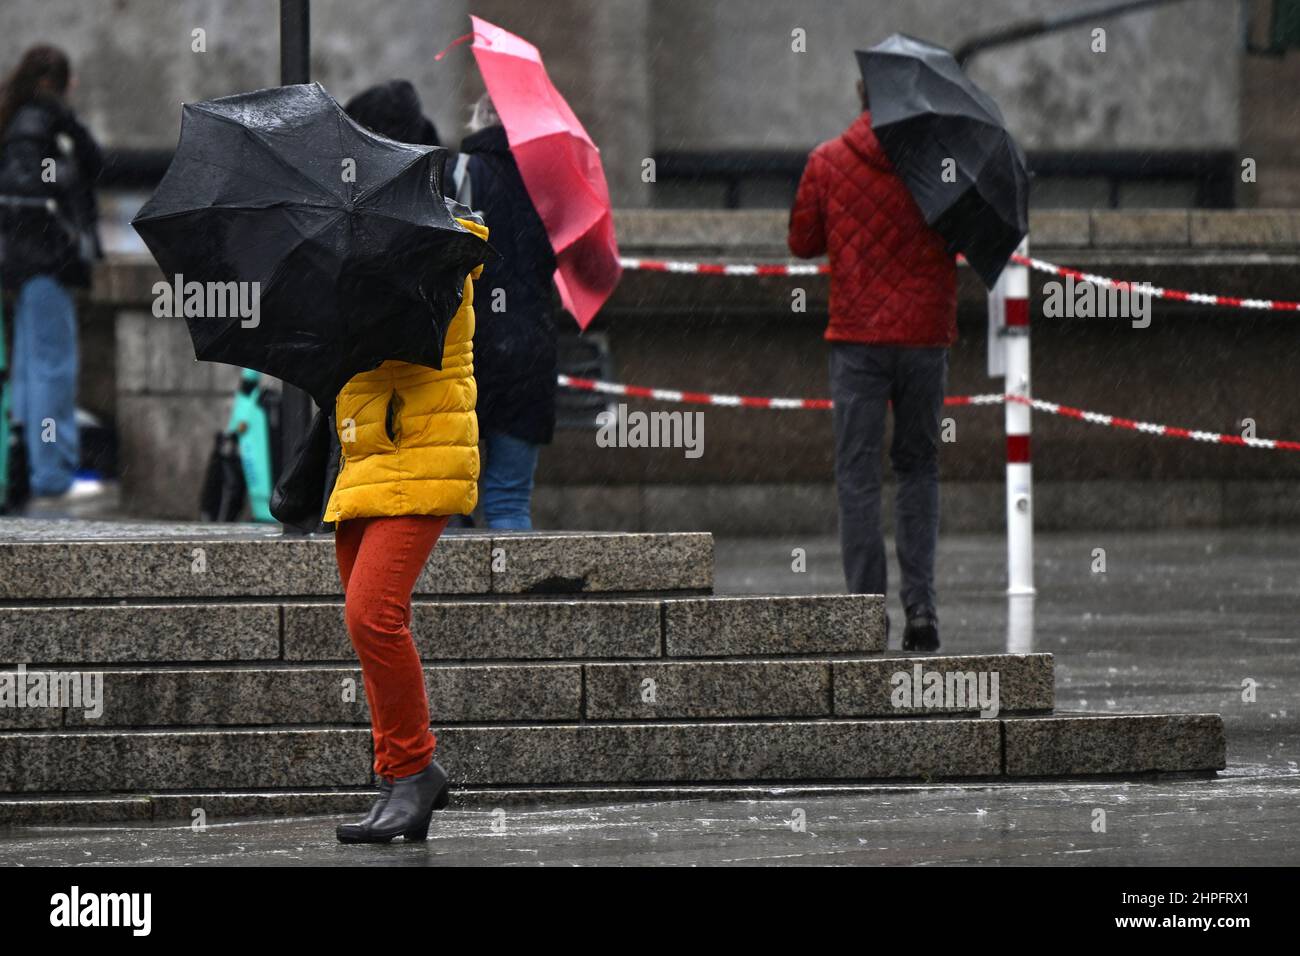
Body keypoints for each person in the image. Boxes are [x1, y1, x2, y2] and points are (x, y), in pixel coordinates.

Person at [326, 82, 488, 844]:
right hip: (366, 455)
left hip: (422, 451)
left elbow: (406, 337)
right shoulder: (357, 237)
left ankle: (413, 771)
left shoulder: (440, 240)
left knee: (373, 615)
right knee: (367, 623)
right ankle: (399, 775)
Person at [788, 79, 956, 652]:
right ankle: (922, 608)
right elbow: (965, 239)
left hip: (858, 338)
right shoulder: (939, 167)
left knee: (857, 474)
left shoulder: (828, 160)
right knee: (918, 467)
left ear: (861, 97)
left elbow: (802, 239)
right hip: (925, 338)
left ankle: (865, 612)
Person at [0, 44, 102, 501]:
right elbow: (31, 194)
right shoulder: (39, 126)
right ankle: (52, 475)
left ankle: (22, 467)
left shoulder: (22, 119)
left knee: (28, 368)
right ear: (56, 83)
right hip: (44, 262)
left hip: (25, 265)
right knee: (52, 369)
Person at [452, 93, 558, 530]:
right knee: (510, 500)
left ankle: (446, 598)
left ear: (479, 120)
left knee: (449, 499)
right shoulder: (551, 184)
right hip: (530, 352)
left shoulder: (459, 173)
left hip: (466, 352)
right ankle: (512, 597)